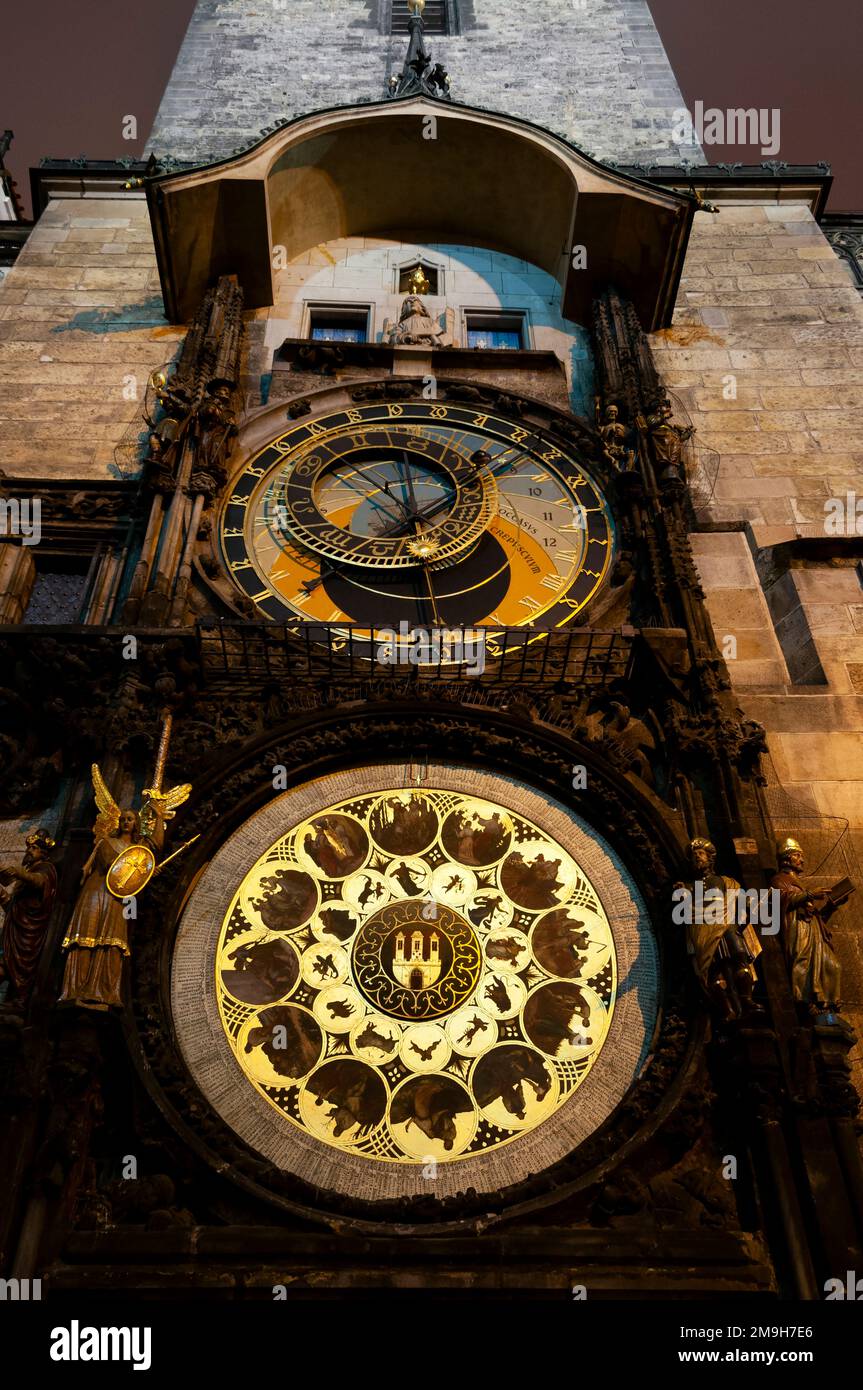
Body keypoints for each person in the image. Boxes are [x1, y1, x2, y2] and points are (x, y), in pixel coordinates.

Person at [678, 837, 758, 1020]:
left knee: (740, 956)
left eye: (700, 854)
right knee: (712, 970)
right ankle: (726, 1008)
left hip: (727, 924)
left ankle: (746, 1000)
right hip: (703, 930)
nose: (697, 857)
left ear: (710, 858)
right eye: (694, 855)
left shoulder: (724, 881)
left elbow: (741, 899)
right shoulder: (689, 887)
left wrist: (748, 904)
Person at [771, 837, 845, 1012]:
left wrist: (831, 906)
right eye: (798, 855)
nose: (802, 860)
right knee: (802, 962)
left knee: (833, 965)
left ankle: (828, 1005)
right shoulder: (779, 879)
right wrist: (810, 894)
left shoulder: (798, 883)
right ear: (787, 858)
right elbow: (780, 899)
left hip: (813, 931)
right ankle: (806, 1002)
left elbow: (815, 916)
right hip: (797, 928)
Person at [0, 828, 57, 1004]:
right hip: (15, 930)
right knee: (4, 966)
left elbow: (39, 881)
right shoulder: (27, 874)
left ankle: (21, 998)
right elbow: (13, 906)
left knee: (15, 968)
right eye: (28, 848)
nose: (28, 851)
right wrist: (2, 894)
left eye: (33, 848)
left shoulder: (47, 869)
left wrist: (19, 872)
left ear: (43, 852)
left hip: (29, 935)